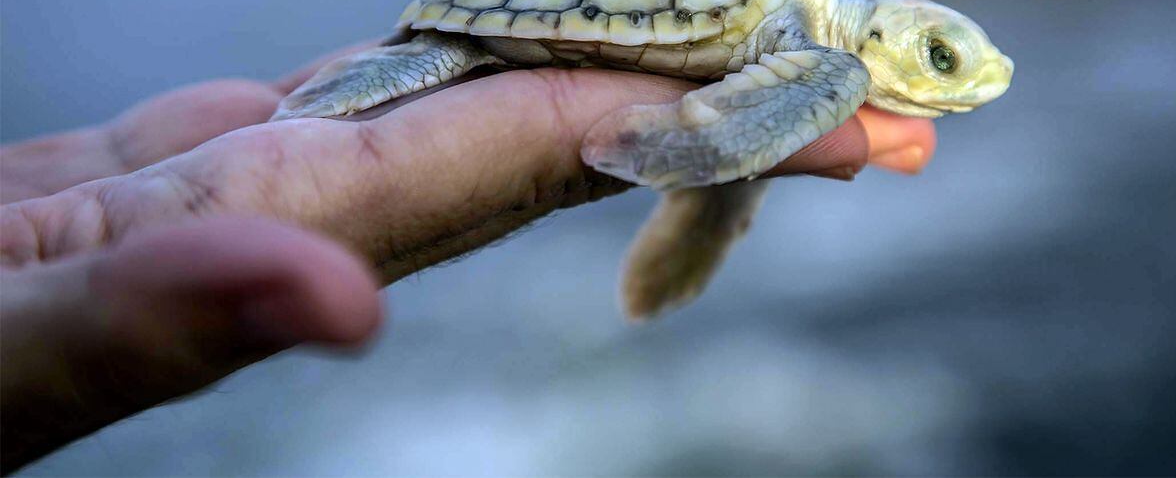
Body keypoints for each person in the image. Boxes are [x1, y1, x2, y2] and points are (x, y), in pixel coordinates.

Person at [0, 49, 935, 471]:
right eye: (936, 58)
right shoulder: (829, 59)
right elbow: (777, 93)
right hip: (512, 17)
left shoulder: (815, 48)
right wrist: (691, 150)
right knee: (803, 101)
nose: (949, 84)